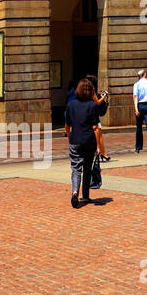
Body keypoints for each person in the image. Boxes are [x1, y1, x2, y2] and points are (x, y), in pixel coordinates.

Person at [64, 78, 101, 207]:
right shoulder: (92, 105)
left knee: (76, 169)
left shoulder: (71, 105)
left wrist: (70, 139)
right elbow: (96, 128)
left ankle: (75, 192)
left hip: (75, 139)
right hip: (89, 140)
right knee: (87, 168)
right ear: (91, 91)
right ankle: (85, 196)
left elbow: (67, 126)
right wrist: (98, 146)